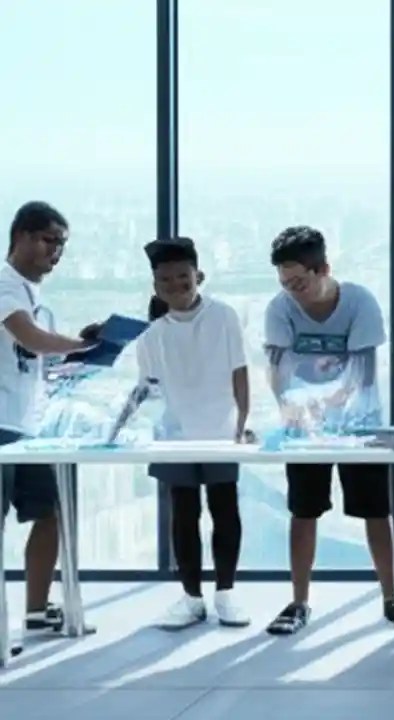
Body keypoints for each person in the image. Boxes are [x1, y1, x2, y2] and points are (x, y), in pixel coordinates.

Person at [262, 225, 394, 635]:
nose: (293, 291)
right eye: (286, 283)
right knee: (303, 510)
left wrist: (324, 403)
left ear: (323, 268)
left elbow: (361, 375)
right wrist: (291, 407)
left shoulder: (360, 302)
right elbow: (277, 368)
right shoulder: (280, 308)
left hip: (359, 424)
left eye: (300, 281)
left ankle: (391, 596)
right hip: (303, 427)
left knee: (376, 510)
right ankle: (299, 601)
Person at [129, 237, 251, 630]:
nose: (176, 287)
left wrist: (242, 422)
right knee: (184, 514)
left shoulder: (224, 316)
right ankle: (192, 597)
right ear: (155, 286)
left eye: (183, 278)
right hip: (174, 434)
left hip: (220, 431)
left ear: (198, 276)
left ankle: (227, 593)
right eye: (166, 281)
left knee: (224, 509)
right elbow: (147, 386)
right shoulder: (151, 332)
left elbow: (240, 371)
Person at [0, 201, 103, 653]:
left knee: (49, 515)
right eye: (48, 241)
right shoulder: (4, 284)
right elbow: (28, 338)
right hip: (0, 426)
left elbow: (42, 361)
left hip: (30, 427)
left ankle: (38, 613)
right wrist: (79, 343)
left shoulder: (41, 302)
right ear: (21, 235)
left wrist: (88, 354)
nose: (55, 253)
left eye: (61, 245)